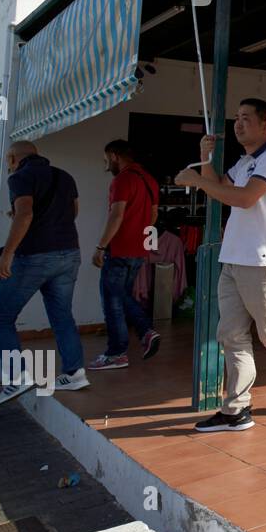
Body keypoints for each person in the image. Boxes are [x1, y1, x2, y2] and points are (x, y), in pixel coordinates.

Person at [175, 99, 266, 431]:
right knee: (231, 335)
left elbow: (244, 198)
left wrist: (198, 181)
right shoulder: (244, 163)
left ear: (265, 124)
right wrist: (206, 160)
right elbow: (223, 191)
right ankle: (236, 409)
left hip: (264, 261)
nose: (238, 124)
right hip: (234, 259)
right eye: (236, 119)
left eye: (246, 118)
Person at [0, 141, 89, 405]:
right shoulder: (64, 176)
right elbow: (73, 212)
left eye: (7, 159)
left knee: (0, 319)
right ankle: (75, 373)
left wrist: (7, 253)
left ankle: (17, 377)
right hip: (69, 254)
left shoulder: (20, 177)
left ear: (13, 157)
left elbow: (25, 214)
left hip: (34, 256)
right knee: (62, 315)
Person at [88, 140, 161, 370]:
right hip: (138, 250)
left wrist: (101, 247)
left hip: (119, 249)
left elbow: (116, 215)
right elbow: (153, 215)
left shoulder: (122, 180)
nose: (106, 164)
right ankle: (143, 333)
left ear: (114, 155)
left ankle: (119, 351)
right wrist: (140, 236)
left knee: (112, 300)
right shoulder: (149, 179)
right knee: (120, 296)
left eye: (106, 159)